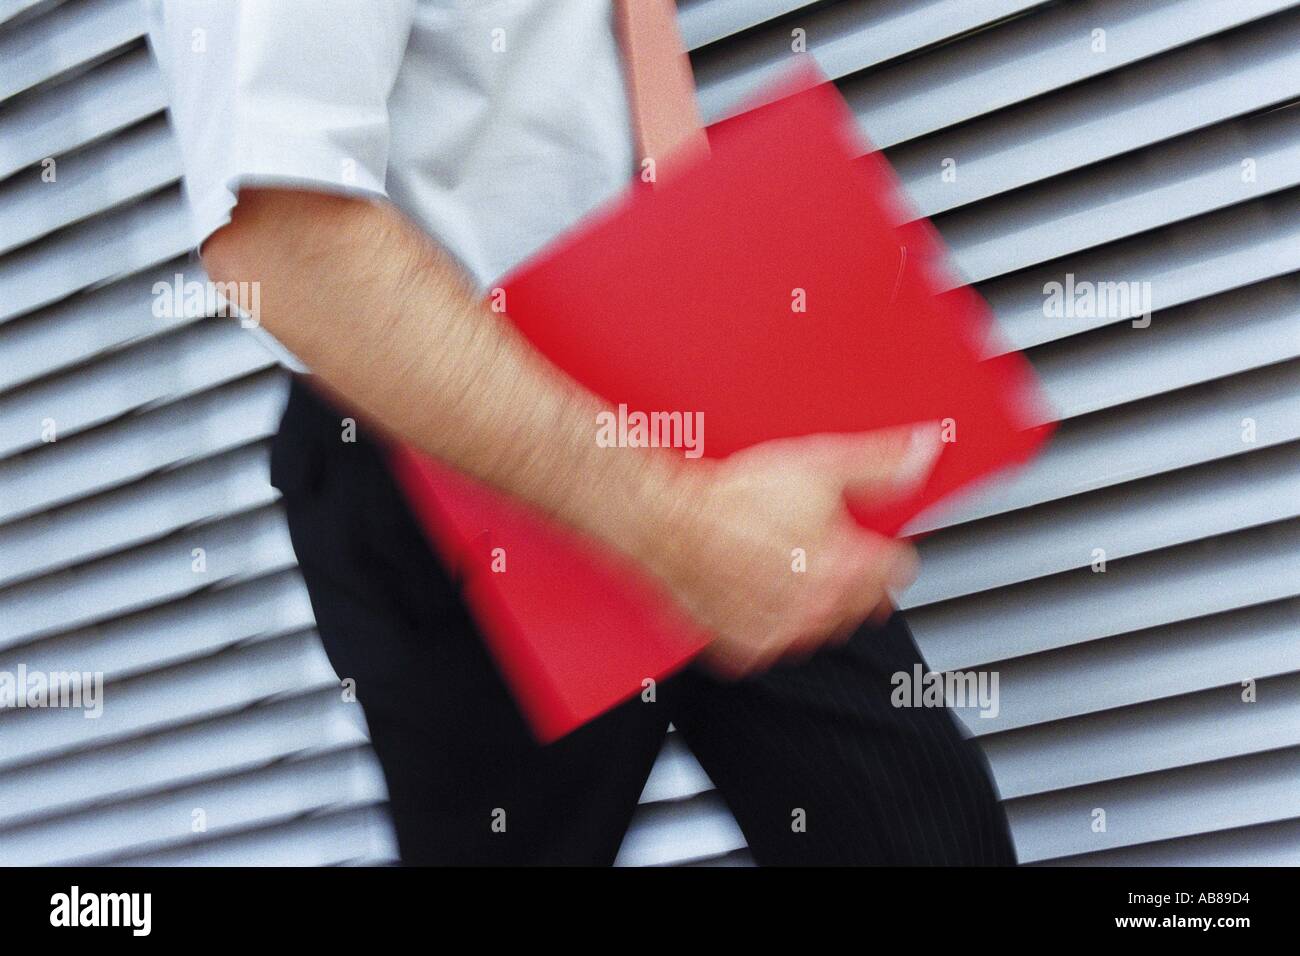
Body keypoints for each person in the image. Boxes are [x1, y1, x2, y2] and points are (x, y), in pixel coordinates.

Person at [146, 0, 1016, 865]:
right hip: (454, 445)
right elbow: (284, 239)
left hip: (680, 365)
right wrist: (675, 528)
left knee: (923, 836)